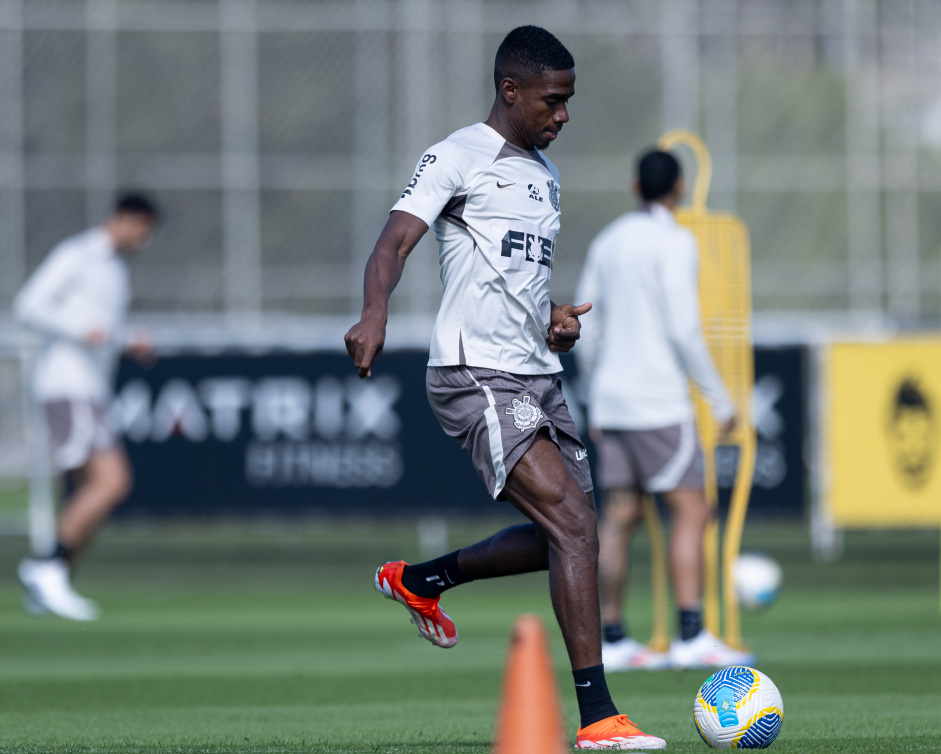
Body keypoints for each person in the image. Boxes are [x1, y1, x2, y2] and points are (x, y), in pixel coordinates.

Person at [344, 26, 666, 751]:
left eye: (569, 101)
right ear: (510, 90)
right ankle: (598, 720)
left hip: (536, 371)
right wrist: (374, 311)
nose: (562, 114)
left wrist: (551, 321)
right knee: (578, 530)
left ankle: (421, 579)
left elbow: (514, 275)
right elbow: (393, 241)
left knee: (568, 534)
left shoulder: (544, 174)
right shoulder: (458, 155)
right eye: (552, 100)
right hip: (473, 373)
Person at [575, 149, 755, 671]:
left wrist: (595, 391)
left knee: (620, 516)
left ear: (635, 185)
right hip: (659, 402)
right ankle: (692, 636)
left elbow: (586, 321)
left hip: (611, 400)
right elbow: (682, 328)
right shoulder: (676, 241)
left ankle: (610, 639)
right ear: (678, 186)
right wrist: (721, 399)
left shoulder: (608, 240)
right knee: (692, 510)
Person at [14, 192, 160, 621]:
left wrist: (123, 339)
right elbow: (29, 305)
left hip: (90, 390)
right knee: (112, 482)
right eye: (142, 231)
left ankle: (51, 582)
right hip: (68, 388)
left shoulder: (115, 269)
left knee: (91, 491)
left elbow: (102, 328)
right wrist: (83, 330)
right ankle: (47, 567)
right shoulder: (79, 254)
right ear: (124, 218)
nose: (143, 241)